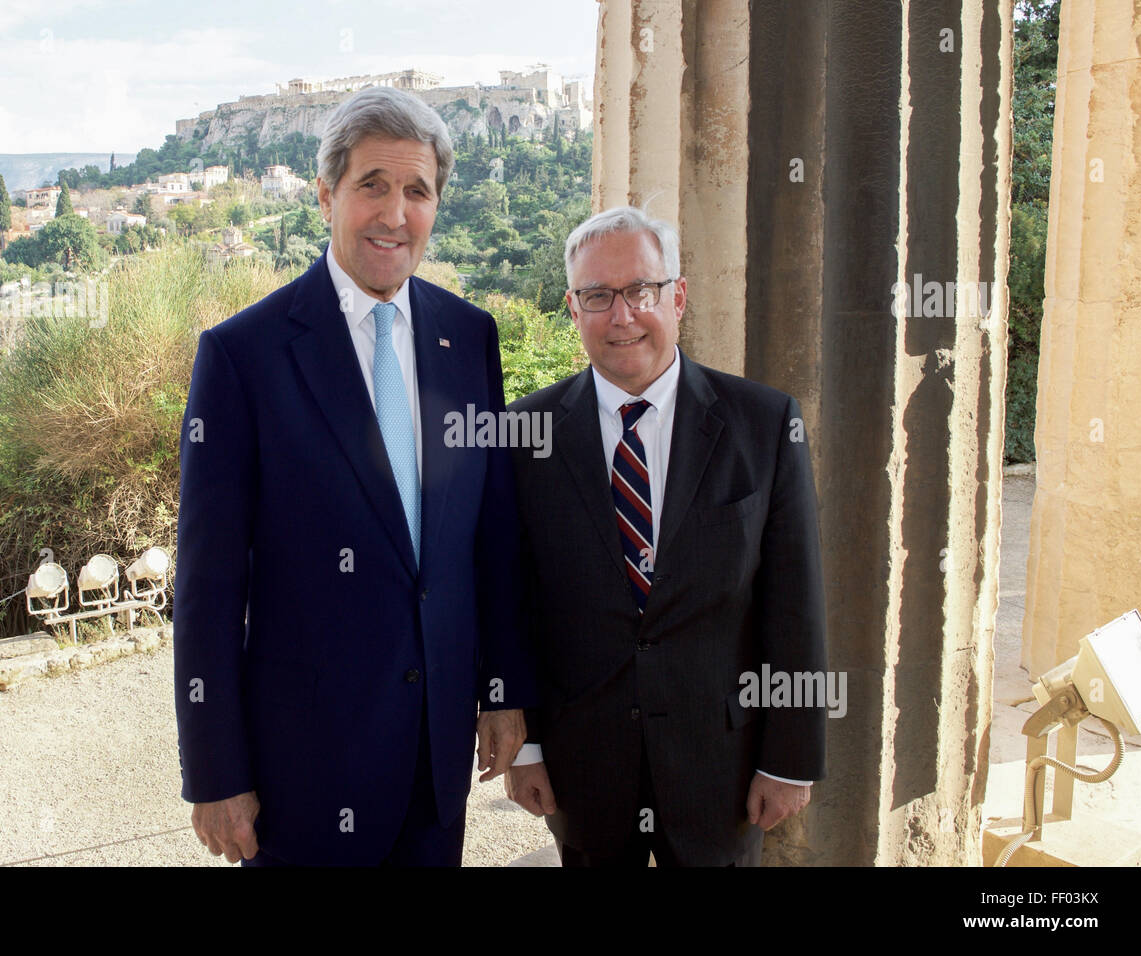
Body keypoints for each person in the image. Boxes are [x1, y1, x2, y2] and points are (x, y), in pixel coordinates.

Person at [174, 86, 532, 867]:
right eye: (372, 184)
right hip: (300, 775)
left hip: (435, 769)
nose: (394, 215)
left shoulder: (469, 338)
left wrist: (502, 690)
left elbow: (491, 537)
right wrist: (214, 773)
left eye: (417, 191)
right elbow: (207, 586)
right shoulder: (243, 357)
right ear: (326, 193)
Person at [503, 206, 827, 866]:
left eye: (640, 292)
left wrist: (791, 759)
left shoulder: (765, 424)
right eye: (597, 296)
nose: (621, 317)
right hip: (581, 765)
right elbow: (511, 603)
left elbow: (795, 604)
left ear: (676, 296)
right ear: (573, 308)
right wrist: (526, 746)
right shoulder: (523, 435)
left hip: (724, 767)